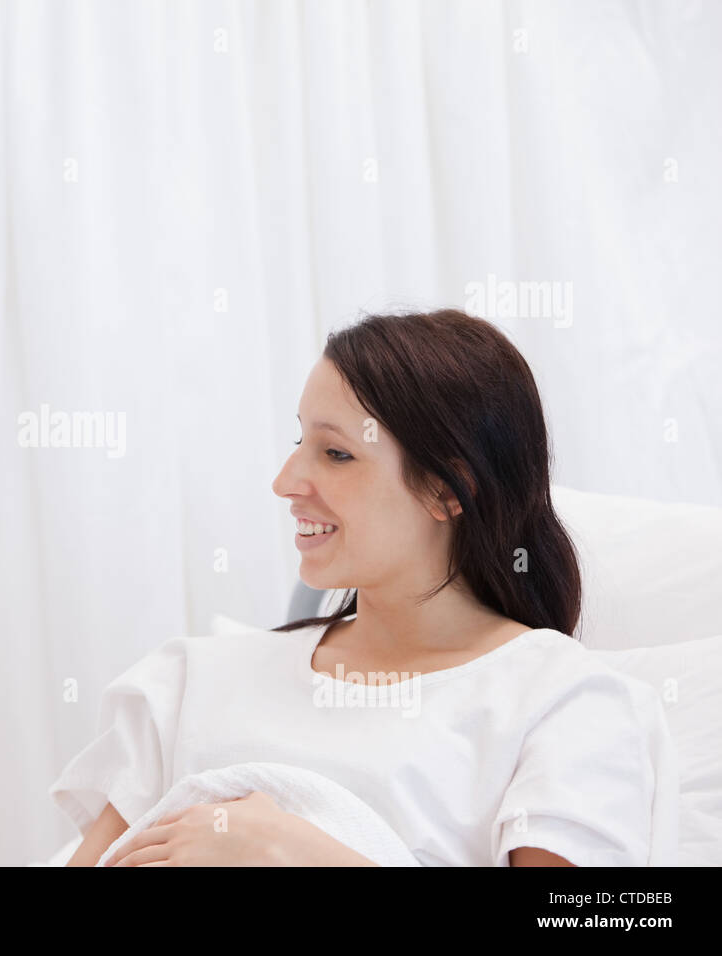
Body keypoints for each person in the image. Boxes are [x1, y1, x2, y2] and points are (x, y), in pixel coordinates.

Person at [51, 309, 677, 866]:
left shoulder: (560, 704)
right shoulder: (192, 680)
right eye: (301, 441)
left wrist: (296, 853)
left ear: (446, 490)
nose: (288, 480)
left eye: (336, 453)